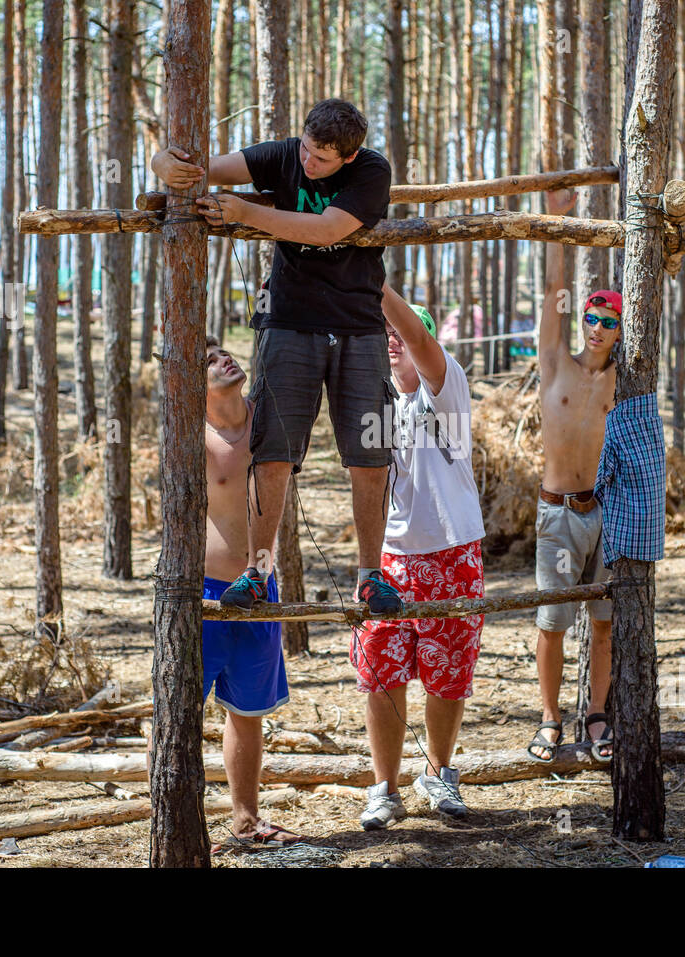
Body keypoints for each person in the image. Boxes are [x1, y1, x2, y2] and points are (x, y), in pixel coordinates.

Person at [150, 98, 402, 616]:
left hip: (359, 325)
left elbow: (327, 229)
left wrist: (245, 213)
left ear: (349, 159)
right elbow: (202, 165)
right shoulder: (283, 154)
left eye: (322, 159)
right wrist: (160, 162)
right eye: (307, 150)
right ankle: (257, 572)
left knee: (369, 456)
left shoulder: (373, 170)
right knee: (273, 454)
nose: (308, 164)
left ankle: (370, 576)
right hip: (287, 321)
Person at [351, 285, 486, 830]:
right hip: (392, 558)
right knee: (381, 672)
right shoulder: (382, 402)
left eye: (401, 334)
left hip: (453, 552)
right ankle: (384, 789)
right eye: (385, 335)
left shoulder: (445, 386)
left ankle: (439, 773)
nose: (393, 342)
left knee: (446, 677)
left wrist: (374, 280)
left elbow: (418, 340)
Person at [527, 189, 620, 765]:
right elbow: (551, 300)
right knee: (553, 623)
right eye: (590, 316)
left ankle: (597, 716)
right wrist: (558, 226)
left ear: (619, 331)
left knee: (604, 625)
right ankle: (549, 720)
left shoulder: (622, 382)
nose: (595, 327)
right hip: (557, 512)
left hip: (603, 511)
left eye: (608, 322)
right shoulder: (555, 362)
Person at [196, 337, 299, 847]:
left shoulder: (269, 417)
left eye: (224, 353)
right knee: (179, 706)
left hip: (260, 589)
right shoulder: (191, 435)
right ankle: (172, 815)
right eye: (209, 360)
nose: (223, 360)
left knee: (248, 710)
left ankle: (244, 818)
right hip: (205, 596)